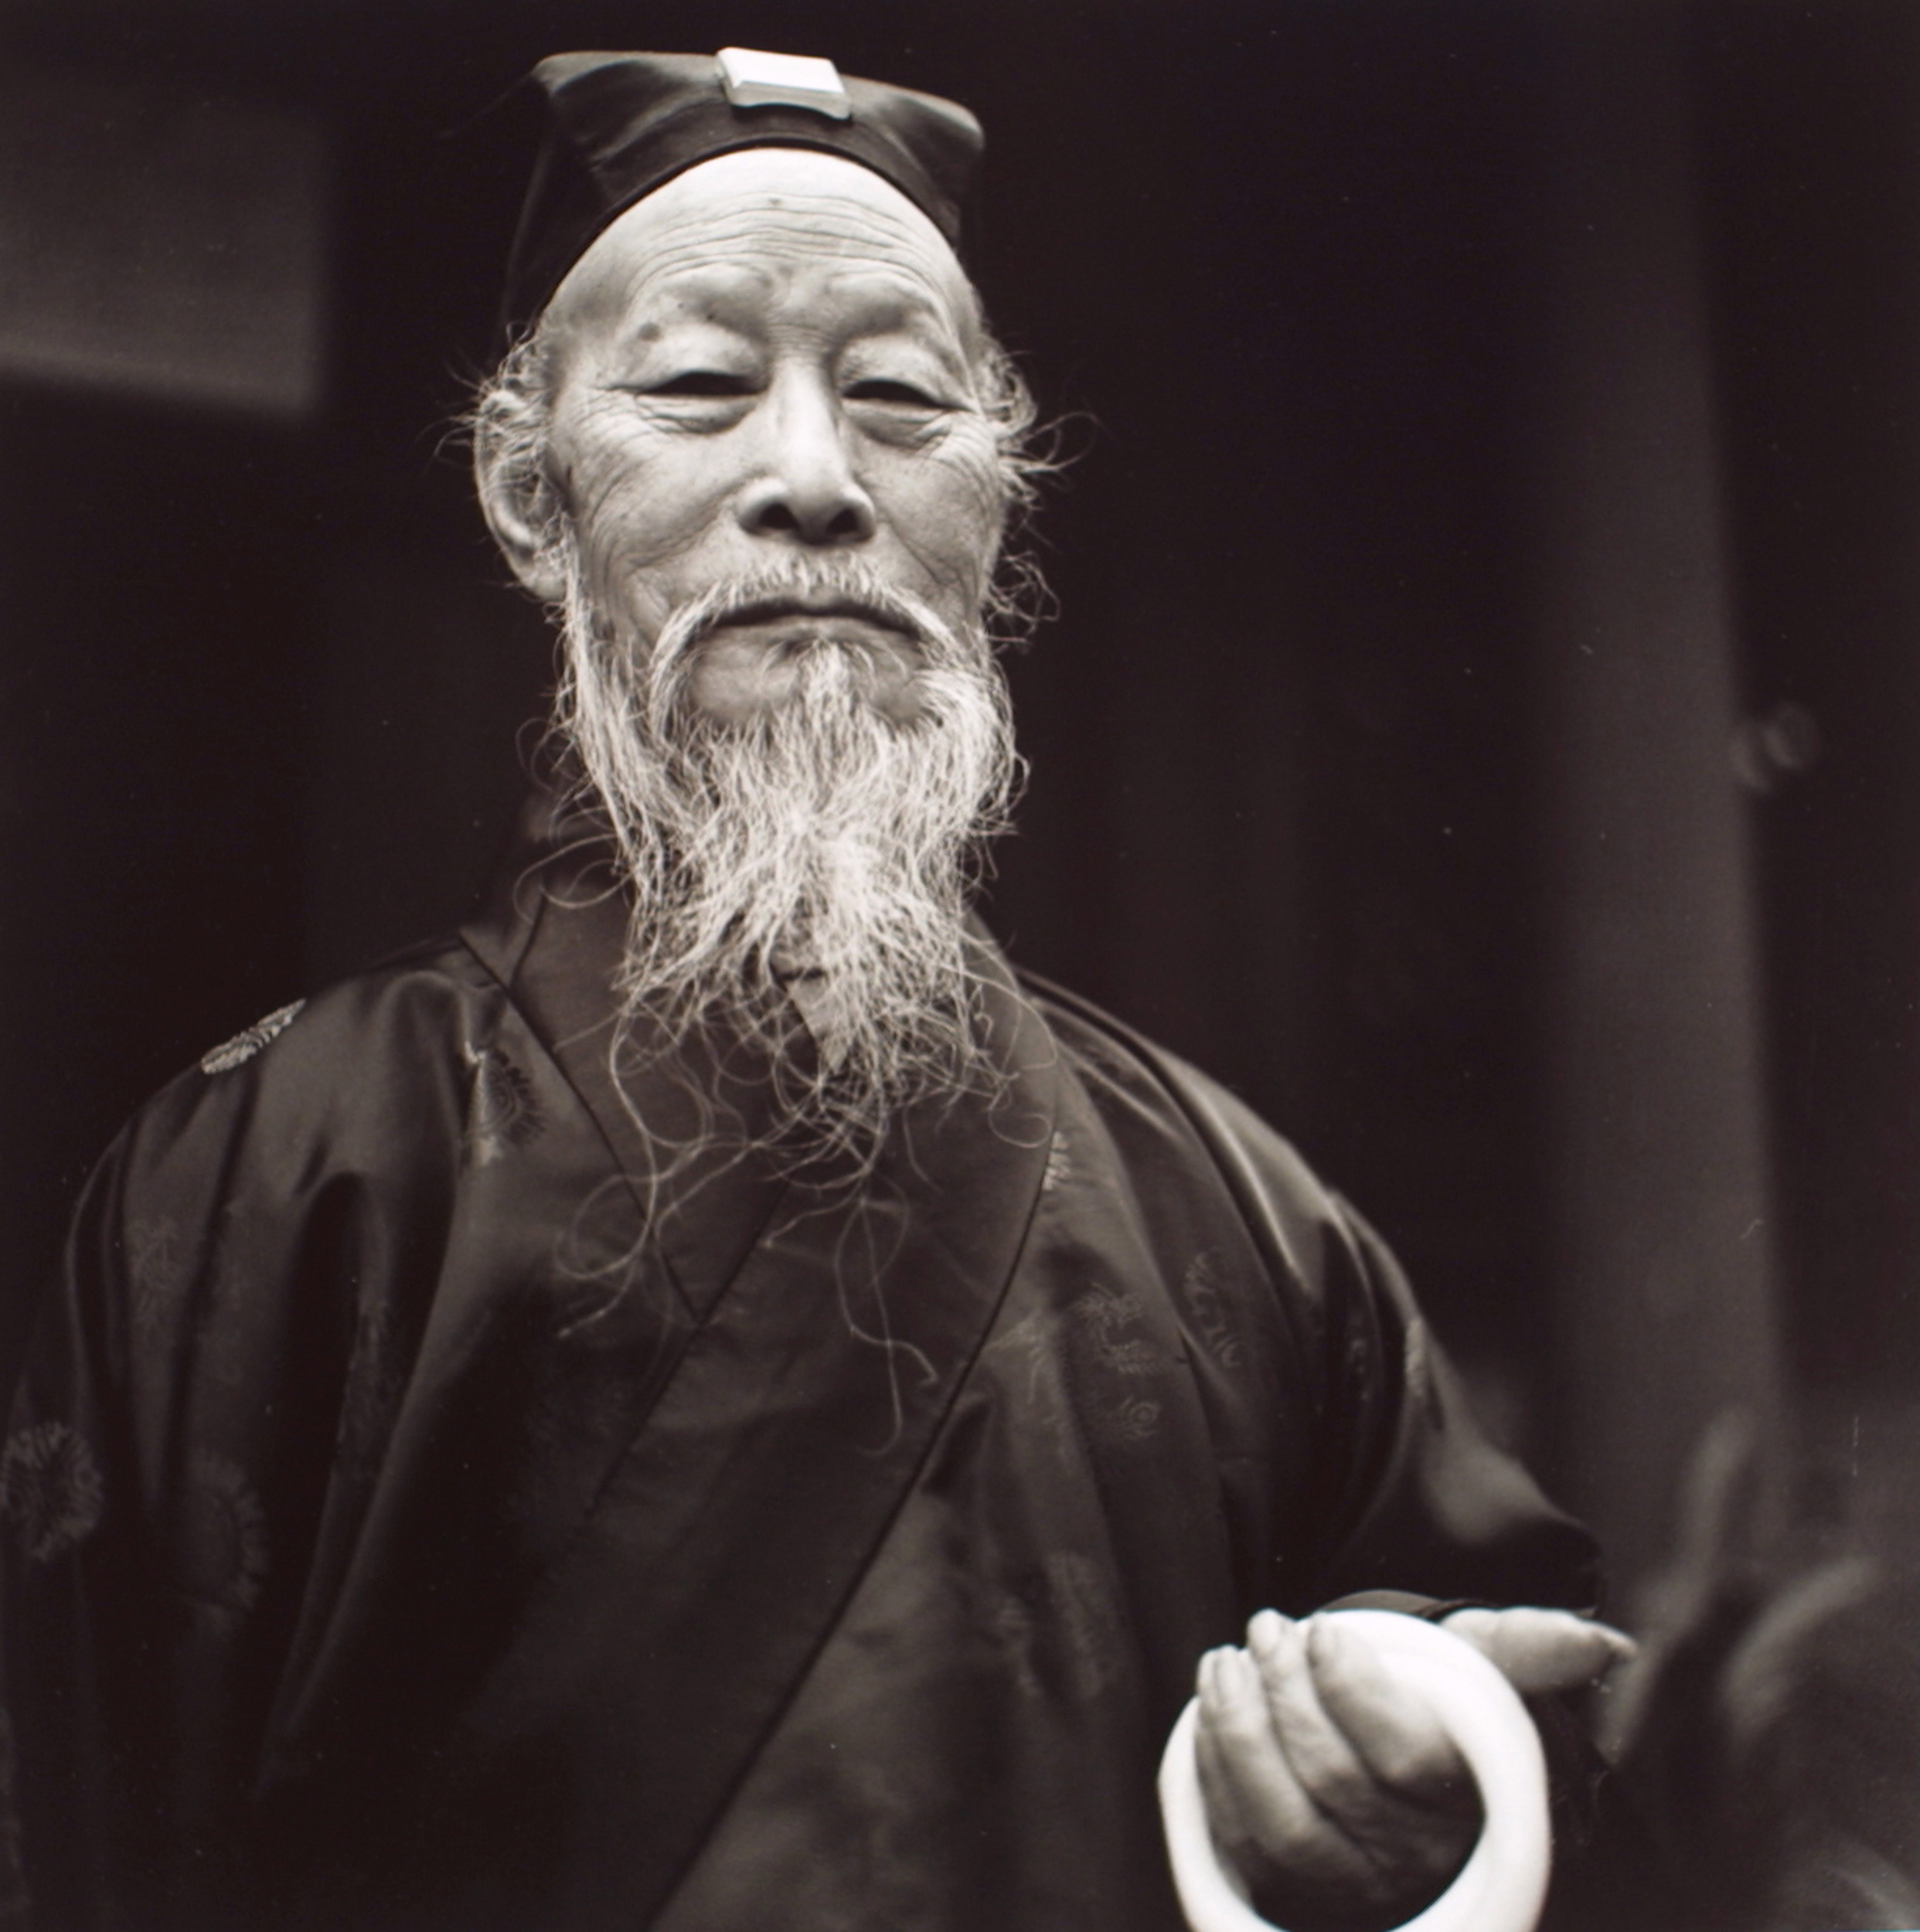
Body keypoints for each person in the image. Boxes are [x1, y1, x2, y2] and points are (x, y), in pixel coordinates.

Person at [0, 49, 1629, 1932]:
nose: (811, 479)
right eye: (699, 387)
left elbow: (1522, 1720)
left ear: (998, 510)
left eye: (900, 401)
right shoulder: (272, 1174)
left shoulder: (1248, 1224)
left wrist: (1415, 1787)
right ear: (533, 501)